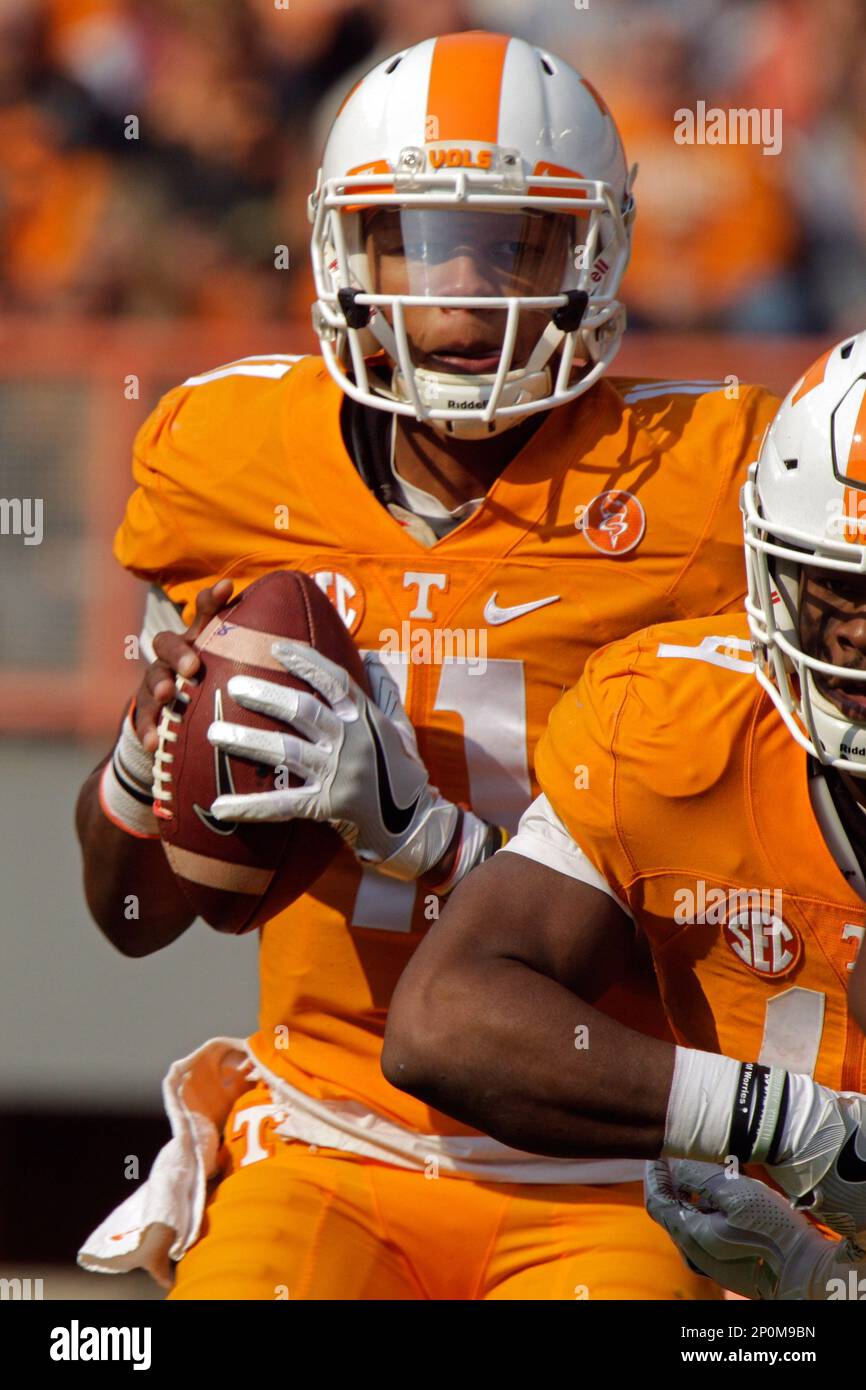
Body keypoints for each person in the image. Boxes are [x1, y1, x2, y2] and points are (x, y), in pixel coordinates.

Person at [75, 31, 777, 1301]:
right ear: (346, 251)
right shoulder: (227, 458)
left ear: (595, 256)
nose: (466, 293)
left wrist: (434, 842)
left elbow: (736, 896)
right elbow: (128, 915)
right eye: (419, 240)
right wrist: (145, 750)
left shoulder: (700, 488)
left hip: (607, 1159)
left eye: (516, 242)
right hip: (327, 1132)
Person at [383, 333, 866, 1288]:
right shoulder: (679, 725)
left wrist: (826, 1286)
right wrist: (786, 1126)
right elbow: (445, 1019)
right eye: (834, 587)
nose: (857, 636)